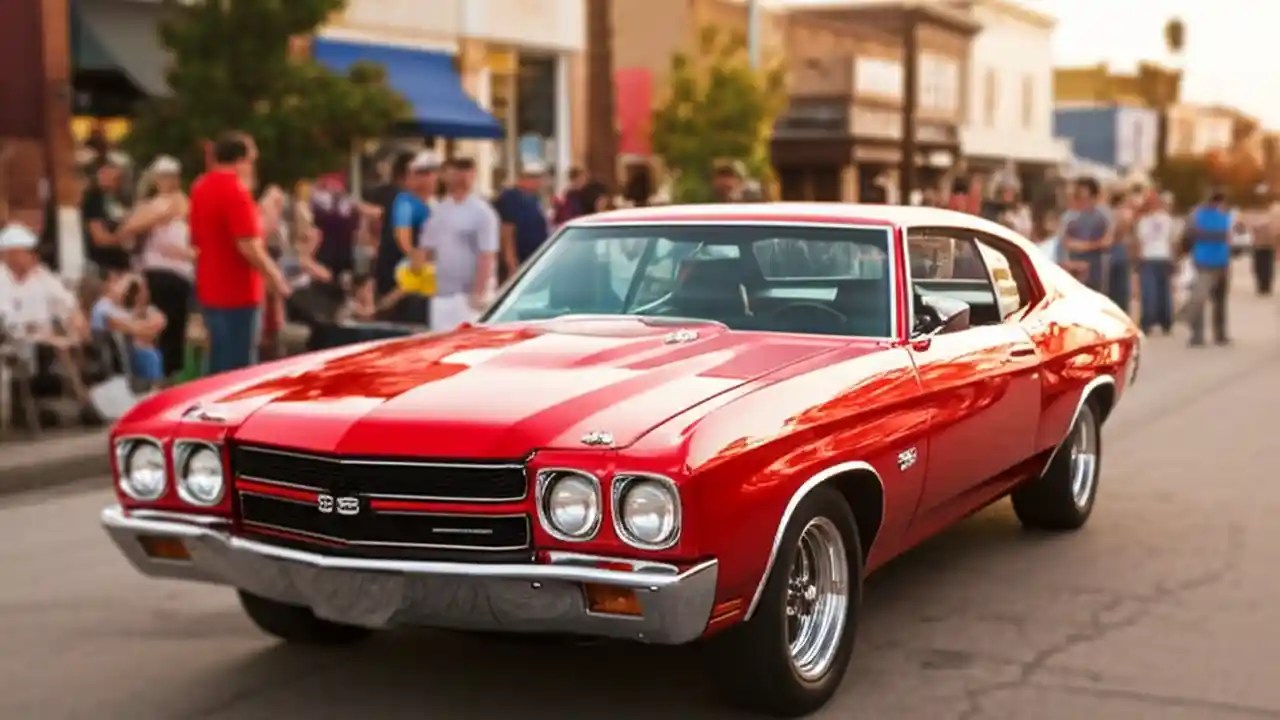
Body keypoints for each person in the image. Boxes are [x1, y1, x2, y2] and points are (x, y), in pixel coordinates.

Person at [189, 132, 291, 374]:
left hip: (210, 287)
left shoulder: (200, 187)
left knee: (216, 363)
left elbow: (196, 239)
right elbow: (248, 244)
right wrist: (274, 276)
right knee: (237, 368)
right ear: (241, 160)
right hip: (238, 291)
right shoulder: (235, 191)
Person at [0, 223, 95, 416]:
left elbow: (67, 303)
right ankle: (83, 400)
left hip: (45, 341)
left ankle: (85, 398)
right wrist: (41, 333)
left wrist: (75, 319)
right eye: (26, 251)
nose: (33, 255)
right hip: (13, 341)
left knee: (74, 338)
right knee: (59, 345)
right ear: (9, 253)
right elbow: (6, 321)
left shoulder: (41, 275)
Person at [121, 155, 193, 379]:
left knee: (177, 328)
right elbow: (129, 230)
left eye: (172, 177)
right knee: (163, 325)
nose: (168, 181)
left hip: (182, 274)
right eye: (163, 177)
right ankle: (160, 374)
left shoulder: (183, 201)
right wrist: (162, 215)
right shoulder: (150, 205)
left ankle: (172, 372)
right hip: (159, 272)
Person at [421, 157, 499, 332]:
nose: (461, 177)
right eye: (456, 171)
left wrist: (479, 293)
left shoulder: (482, 212)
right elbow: (428, 250)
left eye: (467, 172)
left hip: (468, 298)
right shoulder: (438, 211)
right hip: (441, 296)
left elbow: (486, 254)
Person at [377, 151, 440, 300]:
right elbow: (402, 240)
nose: (431, 178)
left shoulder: (433, 204)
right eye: (422, 173)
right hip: (400, 274)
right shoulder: (403, 202)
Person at [1177, 190, 1233, 347]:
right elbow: (1229, 238)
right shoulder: (1226, 215)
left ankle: (1197, 336)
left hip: (1202, 261)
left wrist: (1185, 253)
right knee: (1219, 300)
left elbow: (1186, 237)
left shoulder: (1195, 216)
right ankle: (1220, 335)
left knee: (1200, 298)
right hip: (1220, 262)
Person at [89, 273, 166, 385]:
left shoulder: (130, 309)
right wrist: (143, 327)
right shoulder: (102, 307)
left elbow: (158, 324)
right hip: (114, 357)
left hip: (130, 352)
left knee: (151, 354)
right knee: (150, 356)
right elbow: (132, 329)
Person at [495, 162, 550, 281]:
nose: (539, 182)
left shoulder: (534, 198)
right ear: (523, 178)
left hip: (534, 256)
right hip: (519, 257)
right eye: (535, 178)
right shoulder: (510, 197)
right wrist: (510, 259)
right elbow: (507, 229)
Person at [81, 159, 133, 277]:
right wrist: (123, 239)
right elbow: (99, 238)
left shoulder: (120, 200)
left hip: (121, 262)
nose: (114, 182)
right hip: (104, 264)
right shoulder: (94, 199)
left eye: (117, 179)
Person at [1060, 178, 1111, 293]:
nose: (1083, 201)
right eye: (1079, 196)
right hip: (1074, 267)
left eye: (1086, 197)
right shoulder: (1070, 217)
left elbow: (1107, 241)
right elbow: (1066, 242)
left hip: (1096, 269)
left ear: (1094, 197)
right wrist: (1094, 245)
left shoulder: (1102, 216)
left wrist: (1084, 245)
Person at [1135, 192, 1176, 335]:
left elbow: (1140, 241)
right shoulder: (1167, 219)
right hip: (1163, 256)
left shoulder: (1143, 221)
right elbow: (1171, 240)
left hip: (1149, 256)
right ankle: (1166, 321)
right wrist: (1173, 258)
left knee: (1149, 291)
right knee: (1164, 291)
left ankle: (1148, 321)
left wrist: (1138, 259)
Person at [1253, 203, 1279, 296]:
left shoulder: (1259, 221)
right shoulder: (1274, 222)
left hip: (1261, 247)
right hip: (1267, 247)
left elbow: (1254, 232)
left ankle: (1262, 287)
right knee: (1267, 268)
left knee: (1261, 268)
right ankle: (1266, 287)